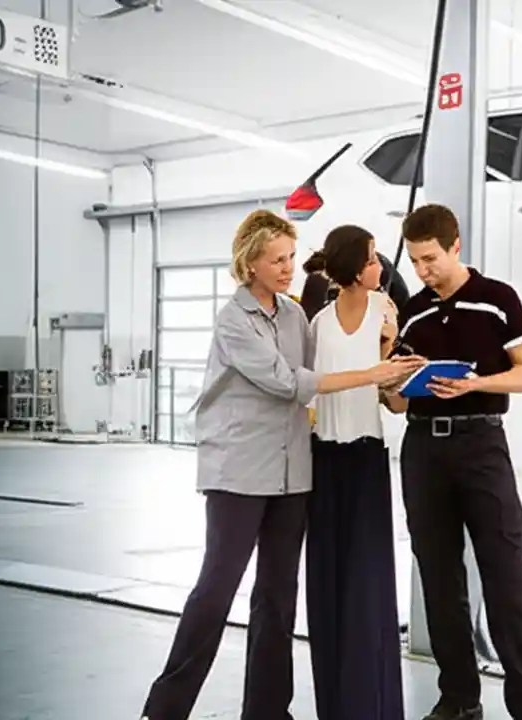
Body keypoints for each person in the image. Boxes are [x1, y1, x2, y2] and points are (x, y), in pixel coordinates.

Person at [140, 209, 421, 720]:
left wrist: (384, 349)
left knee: (277, 597)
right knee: (216, 590)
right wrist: (374, 370)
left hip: (293, 475)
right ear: (251, 266)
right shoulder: (233, 322)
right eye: (278, 260)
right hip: (240, 473)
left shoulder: (295, 317)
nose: (289, 268)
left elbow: (331, 366)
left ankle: (268, 711)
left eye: (292, 257)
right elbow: (291, 383)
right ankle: (165, 708)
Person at [384, 203, 522, 720]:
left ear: (456, 246)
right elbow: (399, 401)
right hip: (423, 450)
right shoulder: (414, 311)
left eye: (430, 258)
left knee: (506, 577)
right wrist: (388, 381)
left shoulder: (498, 300)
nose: (422, 271)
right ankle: (458, 699)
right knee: (438, 577)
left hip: (481, 448)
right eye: (414, 262)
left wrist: (476, 383)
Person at [304, 224, 424, 720]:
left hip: (367, 459)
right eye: (374, 259)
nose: (381, 268)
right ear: (355, 268)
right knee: (327, 584)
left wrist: (398, 370)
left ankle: (372, 705)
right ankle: (335, 704)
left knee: (368, 585)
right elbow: (309, 391)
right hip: (323, 461)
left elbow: (394, 404)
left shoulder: (385, 313)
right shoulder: (317, 324)